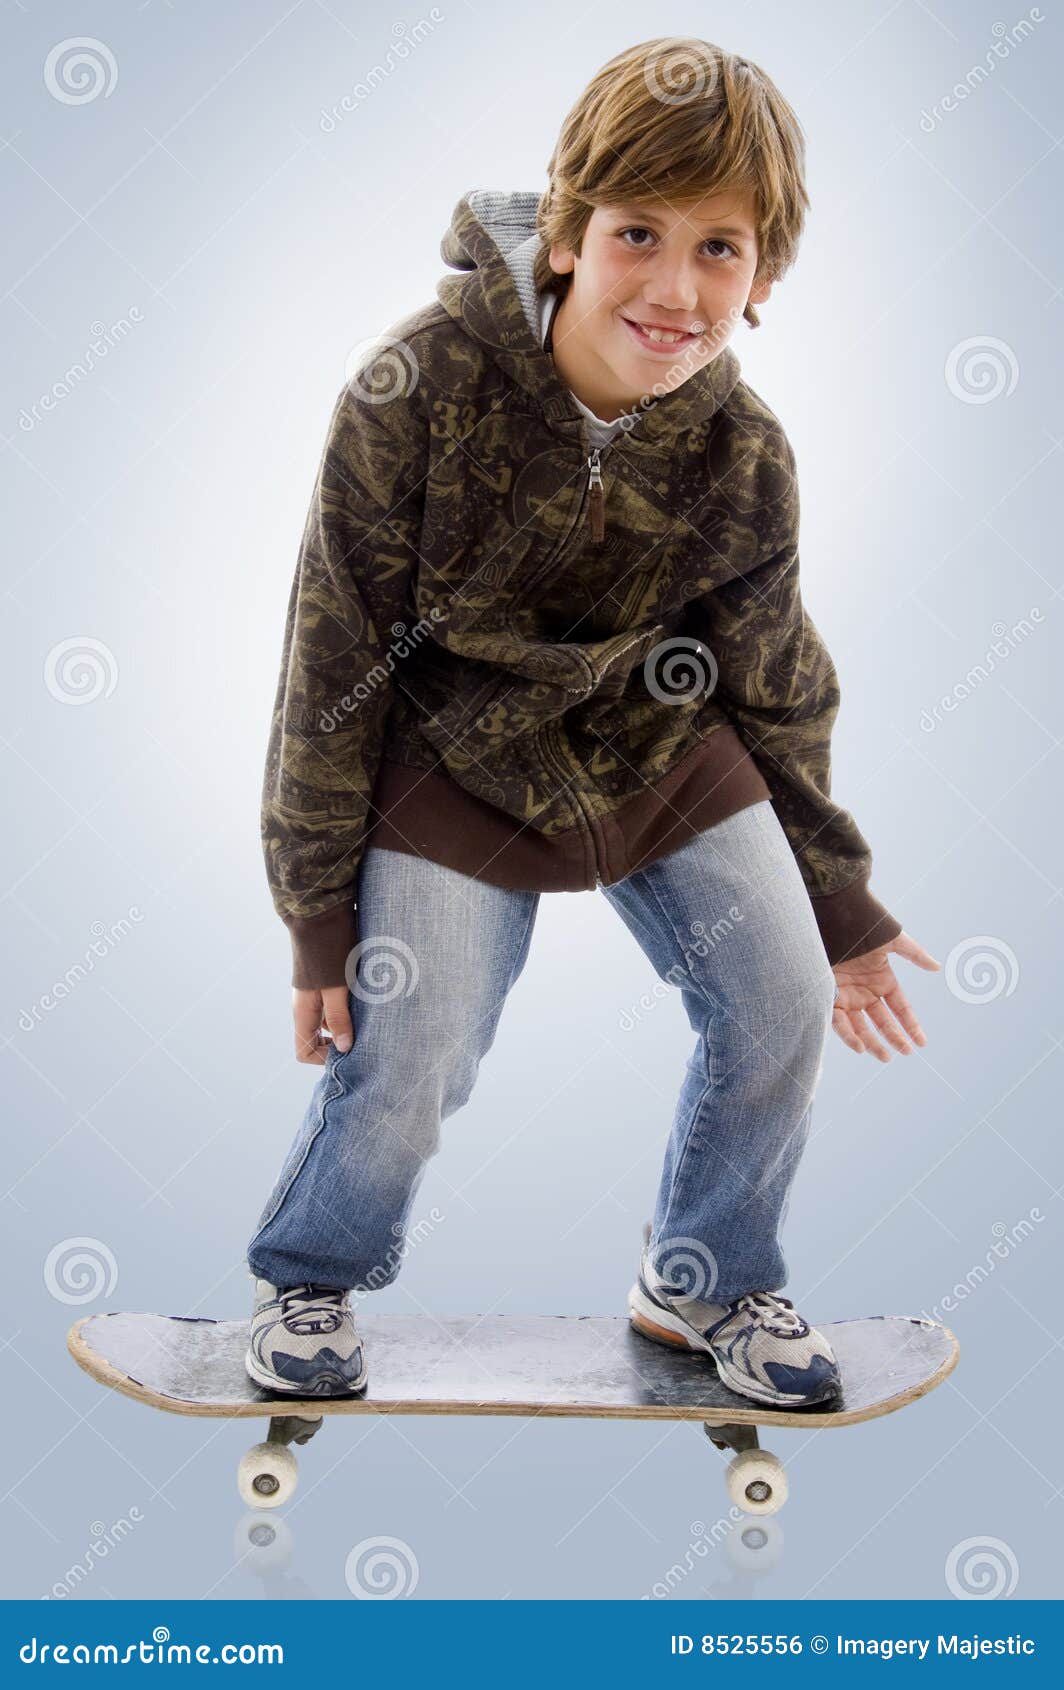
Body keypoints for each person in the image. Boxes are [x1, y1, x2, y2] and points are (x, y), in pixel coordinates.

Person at [244, 37, 940, 1407]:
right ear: (567, 231)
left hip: (662, 744)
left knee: (781, 998)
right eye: (638, 235)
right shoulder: (414, 390)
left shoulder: (746, 455)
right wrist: (318, 912)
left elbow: (777, 679)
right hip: (454, 751)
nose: (677, 289)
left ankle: (706, 1279)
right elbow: (327, 652)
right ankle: (311, 1270)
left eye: (723, 250)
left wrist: (839, 903)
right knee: (419, 1040)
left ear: (765, 275)